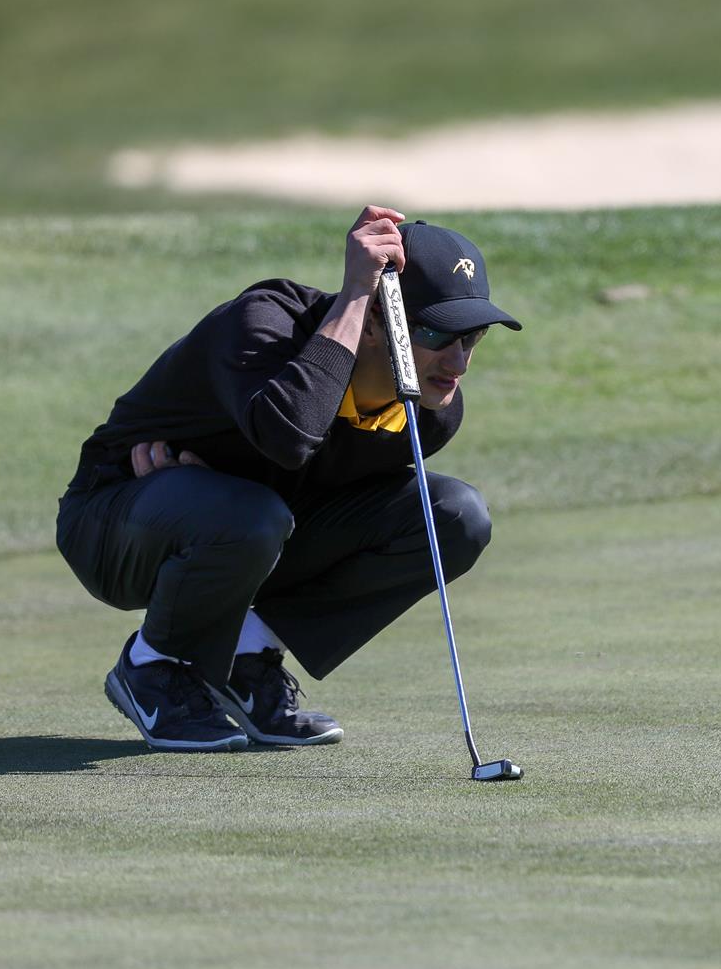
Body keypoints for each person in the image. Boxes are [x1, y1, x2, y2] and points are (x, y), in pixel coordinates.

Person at [54, 206, 520, 751]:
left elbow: (327, 497)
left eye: (474, 337)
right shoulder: (264, 322)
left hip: (255, 526)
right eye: (439, 333)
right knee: (247, 513)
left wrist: (226, 481)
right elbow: (289, 436)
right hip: (116, 521)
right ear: (378, 318)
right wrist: (354, 293)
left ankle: (246, 659)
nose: (458, 362)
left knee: (454, 515)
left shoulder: (432, 413)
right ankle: (154, 666)